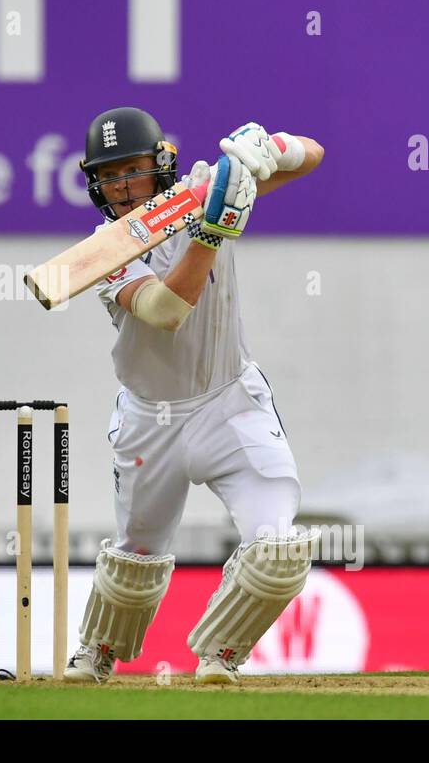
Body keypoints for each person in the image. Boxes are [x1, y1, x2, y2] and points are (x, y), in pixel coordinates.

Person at [63, 107, 326, 684]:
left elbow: (314, 153)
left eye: (131, 171)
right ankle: (98, 651)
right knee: (135, 554)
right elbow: (164, 312)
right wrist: (213, 233)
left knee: (279, 551)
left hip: (230, 405)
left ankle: (220, 654)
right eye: (108, 176)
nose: (122, 187)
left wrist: (268, 149)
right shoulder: (103, 252)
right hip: (148, 419)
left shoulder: (201, 192)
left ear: (160, 166)